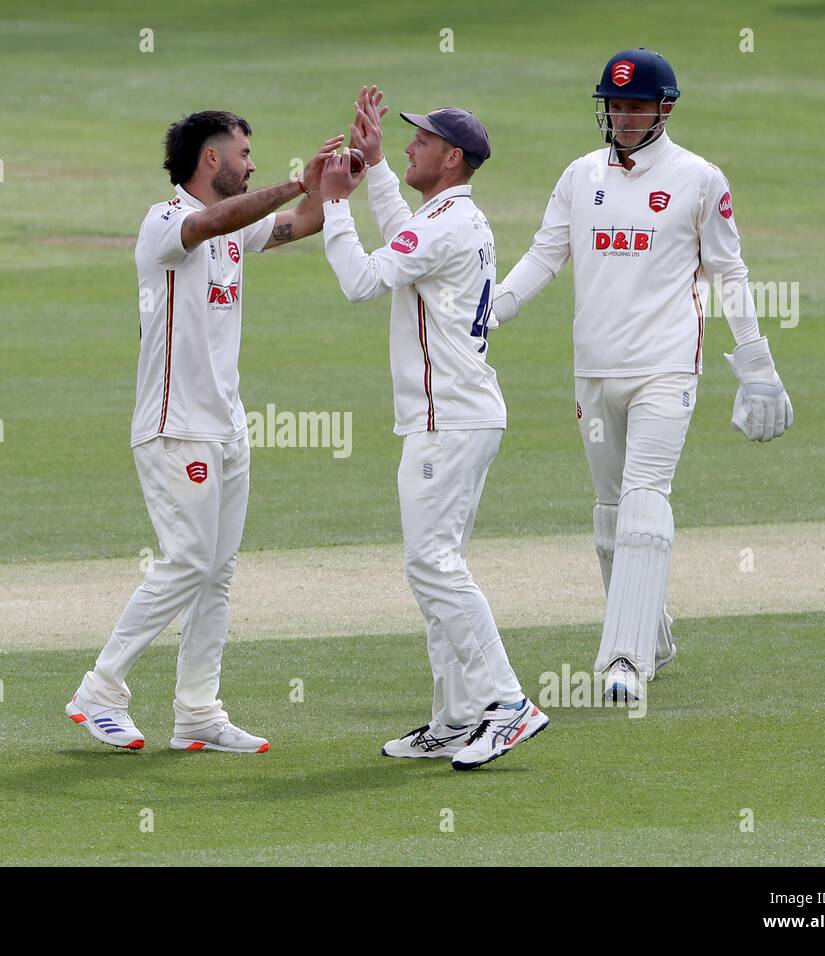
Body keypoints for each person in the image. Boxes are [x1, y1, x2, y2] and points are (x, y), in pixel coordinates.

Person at [489, 49, 794, 702]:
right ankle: (652, 634)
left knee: (644, 499)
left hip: (666, 368)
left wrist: (757, 367)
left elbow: (729, 273)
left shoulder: (699, 179)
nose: (623, 117)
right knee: (608, 514)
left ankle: (626, 660)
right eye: (615, 105)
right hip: (594, 371)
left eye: (635, 106)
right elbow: (546, 254)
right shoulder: (578, 177)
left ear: (665, 108)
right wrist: (492, 310)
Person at [66, 111, 343, 754]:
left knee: (216, 571)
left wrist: (339, 184)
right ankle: (100, 689)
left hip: (225, 427)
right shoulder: (166, 221)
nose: (251, 163)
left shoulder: (236, 228)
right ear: (211, 160)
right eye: (244, 153)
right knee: (187, 560)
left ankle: (197, 713)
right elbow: (212, 222)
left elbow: (300, 224)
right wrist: (295, 184)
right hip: (175, 427)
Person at [318, 88, 549, 771]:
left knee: (433, 564)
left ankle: (505, 704)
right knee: (435, 568)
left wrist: (333, 201)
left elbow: (363, 280)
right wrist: (381, 168)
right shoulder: (451, 218)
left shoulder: (446, 224)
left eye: (420, 140)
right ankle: (454, 717)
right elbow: (401, 242)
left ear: (451, 158)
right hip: (457, 415)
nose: (410, 143)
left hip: (448, 420)